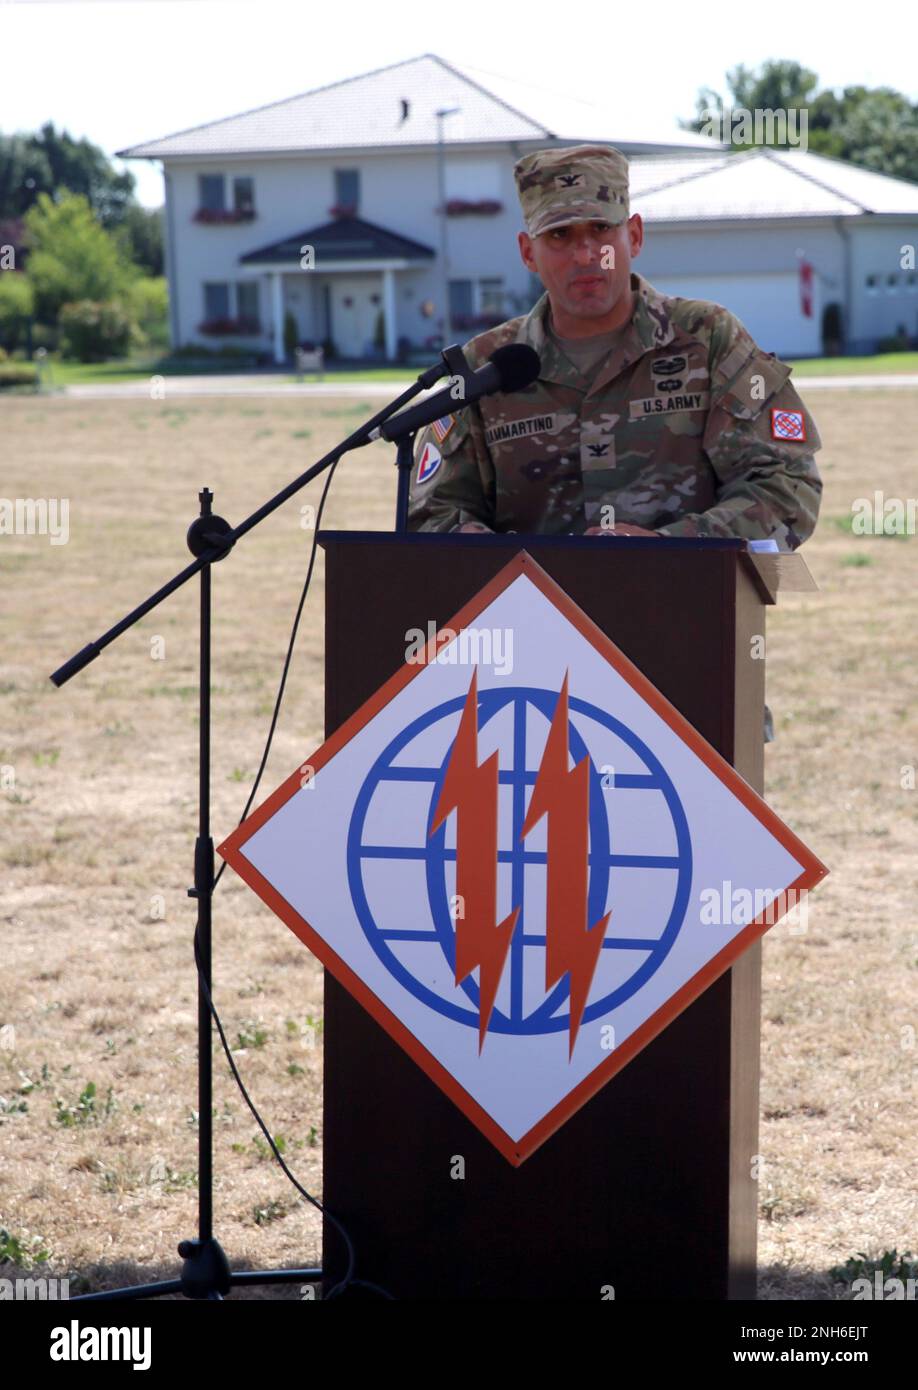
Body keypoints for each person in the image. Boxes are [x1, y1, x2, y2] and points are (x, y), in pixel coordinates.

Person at [407, 143, 822, 552]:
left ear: (635, 236)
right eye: (560, 235)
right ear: (528, 253)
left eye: (601, 229)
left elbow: (787, 486)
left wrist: (668, 548)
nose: (586, 255)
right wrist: (496, 560)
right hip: (530, 614)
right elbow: (430, 510)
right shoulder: (489, 367)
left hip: (681, 608)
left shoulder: (707, 339)